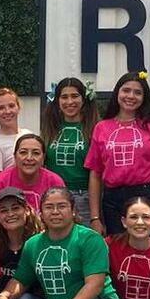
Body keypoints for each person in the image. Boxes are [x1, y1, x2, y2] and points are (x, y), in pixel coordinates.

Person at [86, 71, 150, 242]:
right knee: (120, 254)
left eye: (137, 92)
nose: (131, 96)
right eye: (126, 90)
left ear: (145, 97)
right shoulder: (102, 127)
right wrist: (95, 218)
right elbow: (95, 174)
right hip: (114, 201)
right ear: (117, 93)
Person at [43, 77, 98, 224]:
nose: (69, 102)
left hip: (85, 197)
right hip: (56, 196)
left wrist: (95, 215)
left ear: (83, 98)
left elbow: (98, 171)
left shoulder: (94, 128)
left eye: (74, 96)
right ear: (57, 100)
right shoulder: (50, 128)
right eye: (64, 97)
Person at [0, 134, 64, 214]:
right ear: (15, 156)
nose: (29, 158)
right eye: (23, 152)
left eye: (36, 153)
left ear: (43, 158)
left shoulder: (55, 182)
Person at [0, 88, 34, 178]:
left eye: (11, 106)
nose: (7, 111)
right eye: (1, 108)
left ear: (18, 107)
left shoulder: (29, 135)